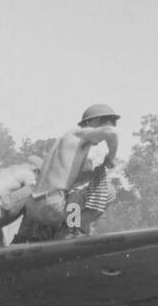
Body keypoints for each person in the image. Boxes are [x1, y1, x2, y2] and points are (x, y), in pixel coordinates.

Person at [15, 104, 120, 243]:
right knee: (109, 190)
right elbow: (112, 132)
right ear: (92, 122)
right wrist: (111, 157)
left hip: (33, 207)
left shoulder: (66, 142)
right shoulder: (80, 134)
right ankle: (71, 232)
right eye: (105, 123)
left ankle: (27, 237)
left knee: (75, 196)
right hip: (52, 207)